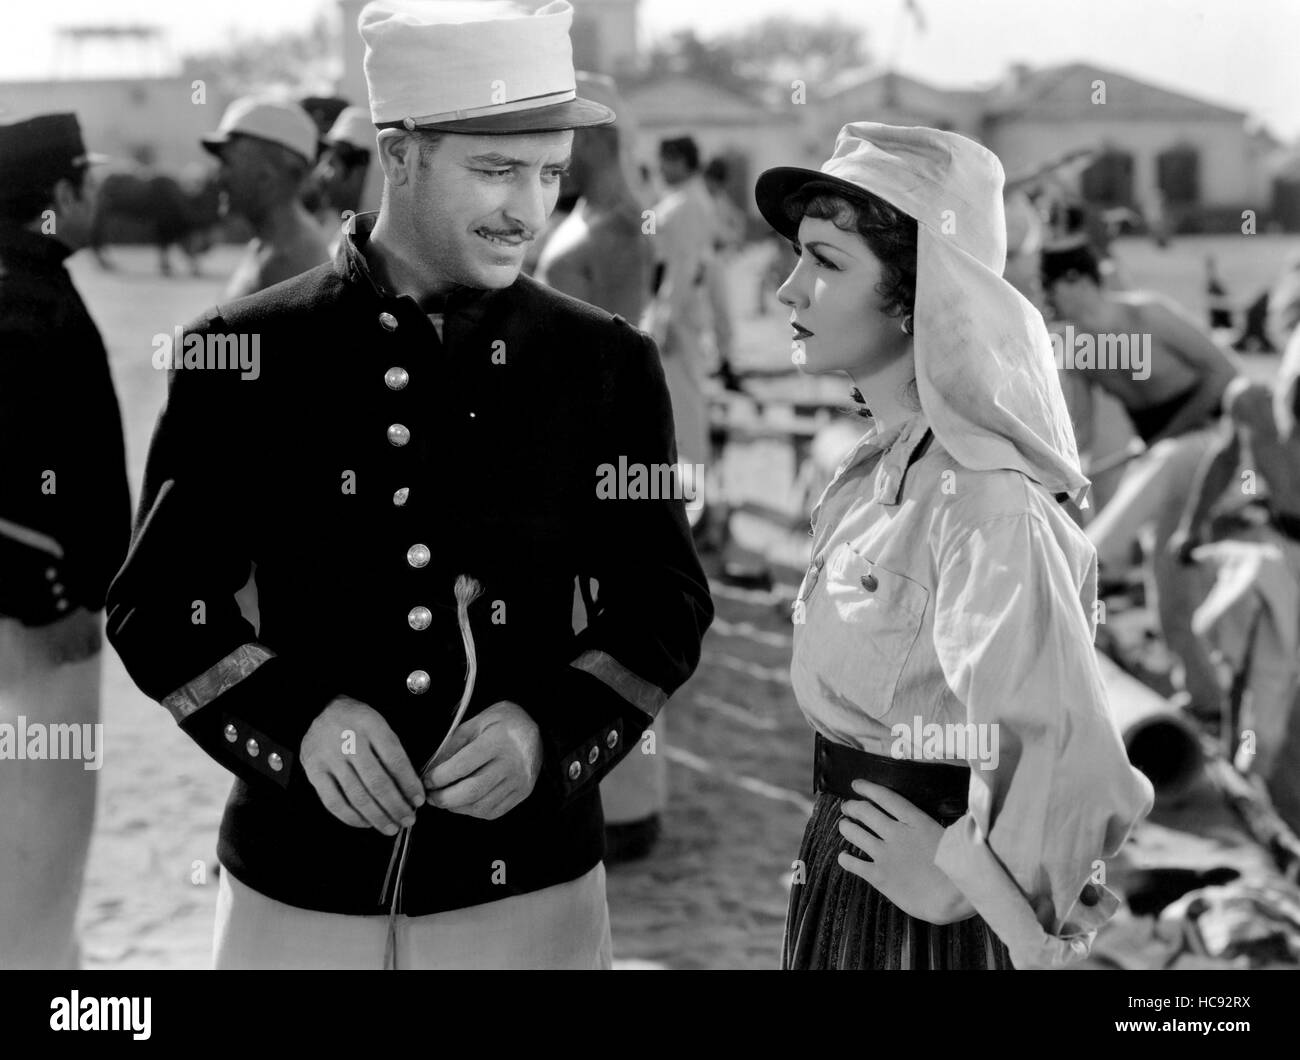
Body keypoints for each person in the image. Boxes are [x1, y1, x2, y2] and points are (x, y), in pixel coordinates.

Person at [105, 0, 712, 970]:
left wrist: (546, 733)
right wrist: (298, 726)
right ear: (399, 154)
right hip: (298, 893)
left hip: (529, 892)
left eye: (549, 172)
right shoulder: (242, 352)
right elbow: (156, 605)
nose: (528, 206)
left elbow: (663, 606)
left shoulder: (605, 364)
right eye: (496, 168)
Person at [754, 122, 1152, 970]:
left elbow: (1074, 756)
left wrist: (964, 887)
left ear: (915, 296)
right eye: (798, 257)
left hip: (929, 925)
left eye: (825, 262)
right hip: (847, 871)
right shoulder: (875, 468)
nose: (788, 290)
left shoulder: (982, 500)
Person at [0, 113, 131, 968]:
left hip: (32, 625)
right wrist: (48, 604)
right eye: (89, 185)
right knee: (37, 832)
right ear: (59, 194)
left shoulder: (27, 275)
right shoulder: (21, 295)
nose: (98, 201)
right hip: (32, 634)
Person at [533, 75, 666, 863]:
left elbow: (623, 349)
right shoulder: (586, 215)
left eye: (559, 139)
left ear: (595, 137)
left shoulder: (619, 223)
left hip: (601, 447)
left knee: (612, 614)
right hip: (570, 442)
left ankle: (628, 810)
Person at [1041, 239, 1241, 717]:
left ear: (1077, 280)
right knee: (1168, 586)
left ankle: (1094, 559)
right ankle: (1206, 699)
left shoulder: (1148, 315)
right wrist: (1059, 486)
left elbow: (1224, 373)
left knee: (1172, 456)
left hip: (1219, 451)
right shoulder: (1074, 346)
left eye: (1049, 288)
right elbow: (1081, 439)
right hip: (1166, 469)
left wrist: (1169, 431)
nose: (1044, 300)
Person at [644, 135, 723, 526]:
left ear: (681, 161)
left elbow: (682, 269)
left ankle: (699, 507)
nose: (660, 167)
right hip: (670, 312)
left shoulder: (689, 204)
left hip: (677, 319)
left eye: (666, 160)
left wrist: (663, 323)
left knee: (685, 411)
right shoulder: (682, 198)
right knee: (672, 409)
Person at [201, 96, 330, 301]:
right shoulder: (268, 246)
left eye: (227, 162)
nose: (218, 177)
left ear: (266, 176)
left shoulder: (288, 263)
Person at [312, 106, 376, 256]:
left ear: (358, 173)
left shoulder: (375, 246)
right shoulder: (329, 227)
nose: (320, 174)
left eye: (331, 165)